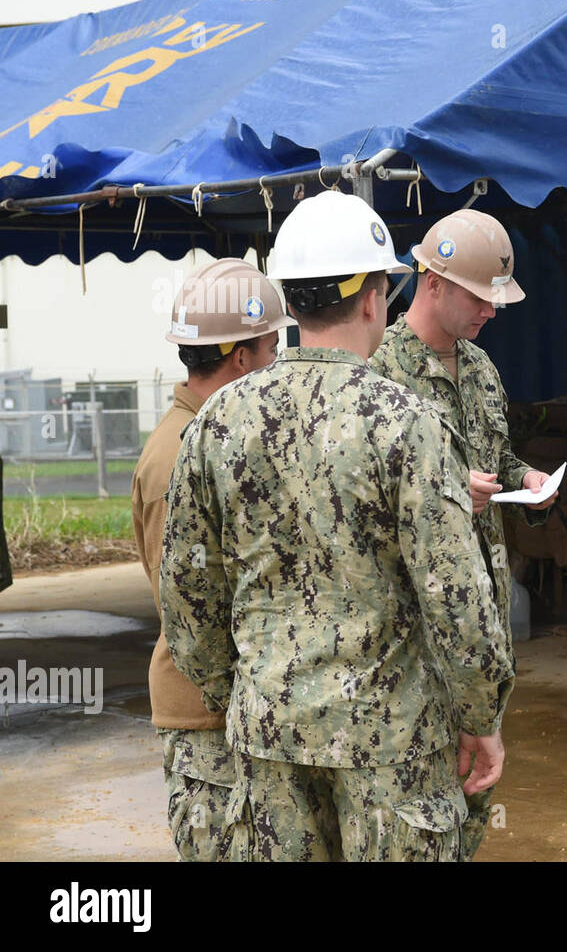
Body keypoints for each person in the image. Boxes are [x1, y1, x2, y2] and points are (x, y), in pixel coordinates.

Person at [160, 190, 513, 861]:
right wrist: (480, 715)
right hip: (391, 743)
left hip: (268, 740)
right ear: (376, 298)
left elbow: (185, 589)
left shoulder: (216, 423)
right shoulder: (407, 421)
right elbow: (457, 597)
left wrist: (233, 688)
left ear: (290, 301)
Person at [368, 208, 553, 859]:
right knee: (418, 814)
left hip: (479, 626)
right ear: (434, 282)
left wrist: (524, 478)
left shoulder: (480, 370)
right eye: (481, 297)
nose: (493, 312)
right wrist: (446, 493)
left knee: (474, 798)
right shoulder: (378, 374)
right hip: (416, 636)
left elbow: (496, 458)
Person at [130, 257, 289, 861]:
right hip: (206, 718)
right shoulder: (179, 456)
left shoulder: (216, 437)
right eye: (270, 349)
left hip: (231, 711)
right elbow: (190, 607)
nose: (276, 363)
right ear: (241, 358)